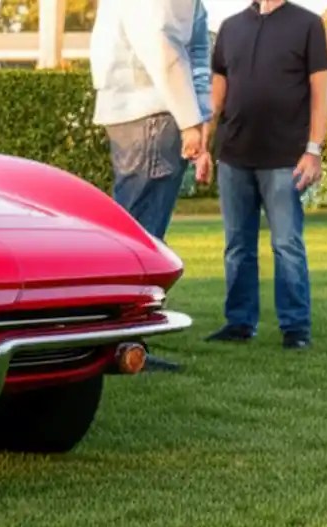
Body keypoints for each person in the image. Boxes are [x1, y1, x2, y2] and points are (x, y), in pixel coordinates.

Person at [196, 0, 327, 350]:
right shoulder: (230, 27)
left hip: (286, 157)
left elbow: (321, 91)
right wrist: (203, 146)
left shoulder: (308, 24)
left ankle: (295, 328)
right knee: (237, 246)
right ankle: (239, 322)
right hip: (234, 156)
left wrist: (314, 149)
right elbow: (218, 90)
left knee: (287, 244)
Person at [90, 0, 213, 371]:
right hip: (153, 113)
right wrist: (193, 119)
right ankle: (123, 345)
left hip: (134, 111)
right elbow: (164, 46)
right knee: (141, 240)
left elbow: (193, 46)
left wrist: (197, 117)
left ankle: (114, 340)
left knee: (130, 232)